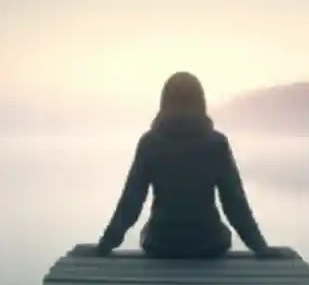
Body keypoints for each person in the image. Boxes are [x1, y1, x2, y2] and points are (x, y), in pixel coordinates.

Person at [82, 71, 291, 259]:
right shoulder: (216, 143)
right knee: (222, 232)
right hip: (209, 245)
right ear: (201, 102)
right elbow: (235, 203)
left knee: (148, 231)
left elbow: (131, 202)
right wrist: (260, 247)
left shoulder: (150, 143)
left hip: (161, 245)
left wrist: (105, 246)